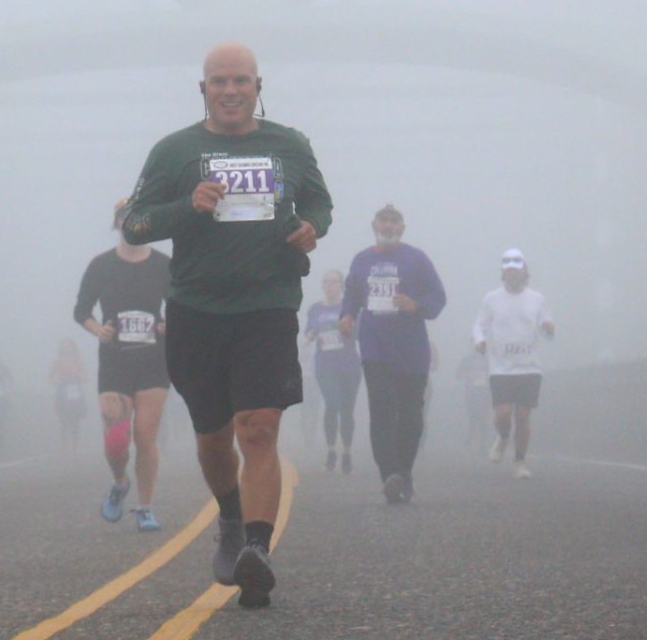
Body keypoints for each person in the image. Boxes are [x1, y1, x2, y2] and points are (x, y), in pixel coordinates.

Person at [123, 43, 331, 610]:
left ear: (258, 86)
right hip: (196, 310)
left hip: (267, 306)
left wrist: (311, 227)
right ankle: (232, 520)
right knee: (214, 436)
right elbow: (136, 223)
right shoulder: (176, 151)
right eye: (219, 82)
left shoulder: (289, 145)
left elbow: (320, 204)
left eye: (241, 80)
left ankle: (257, 552)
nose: (231, 90)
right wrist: (186, 206)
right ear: (204, 90)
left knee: (258, 427)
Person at [75, 199, 174, 531]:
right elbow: (81, 311)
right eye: (124, 219)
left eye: (138, 219)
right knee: (117, 440)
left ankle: (144, 507)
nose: (131, 225)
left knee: (145, 436)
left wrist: (170, 323)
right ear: (116, 224)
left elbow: (183, 303)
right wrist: (97, 329)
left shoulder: (164, 265)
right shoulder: (101, 265)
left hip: (153, 361)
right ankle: (119, 483)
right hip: (115, 360)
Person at [342, 205, 450, 505]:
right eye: (383, 221)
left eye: (394, 222)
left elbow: (438, 297)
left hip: (412, 350)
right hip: (375, 347)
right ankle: (389, 475)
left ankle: (404, 472)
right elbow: (352, 295)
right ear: (374, 224)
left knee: (411, 418)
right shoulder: (362, 260)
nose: (388, 226)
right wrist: (347, 316)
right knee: (382, 409)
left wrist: (415, 304)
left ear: (402, 227)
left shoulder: (416, 259)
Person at [471, 248, 556, 476]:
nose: (513, 275)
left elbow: (547, 329)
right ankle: (503, 437)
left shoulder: (537, 299)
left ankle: (520, 462)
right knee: (503, 413)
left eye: (517, 271)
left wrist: (549, 329)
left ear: (525, 272)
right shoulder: (492, 299)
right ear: (503, 273)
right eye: (508, 271)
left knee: (523, 416)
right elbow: (479, 325)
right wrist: (479, 341)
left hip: (529, 367)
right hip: (500, 367)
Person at [302, 268, 358, 472]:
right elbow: (309, 330)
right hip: (325, 365)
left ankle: (347, 453)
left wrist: (349, 329)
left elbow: (359, 332)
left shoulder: (349, 307)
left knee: (347, 409)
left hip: (349, 364)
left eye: (333, 282)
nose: (329, 286)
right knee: (332, 403)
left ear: (341, 286)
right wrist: (310, 335)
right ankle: (331, 450)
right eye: (326, 282)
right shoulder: (315, 309)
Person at [50, 339, 91, 454]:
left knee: (74, 418)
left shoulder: (78, 361)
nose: (66, 348)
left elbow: (86, 378)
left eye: (69, 346)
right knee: (63, 418)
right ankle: (64, 446)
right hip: (62, 388)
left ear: (73, 348)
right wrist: (55, 381)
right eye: (64, 346)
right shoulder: (58, 361)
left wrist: (76, 373)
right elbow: (50, 376)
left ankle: (74, 446)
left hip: (75, 389)